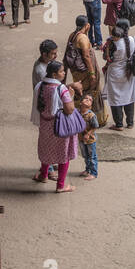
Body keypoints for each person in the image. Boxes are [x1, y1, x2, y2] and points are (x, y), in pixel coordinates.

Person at [33, 60, 77, 192]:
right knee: (63, 154)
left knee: (46, 149)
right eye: (62, 71)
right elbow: (69, 109)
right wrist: (72, 96)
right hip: (59, 126)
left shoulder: (40, 85)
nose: (64, 73)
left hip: (45, 124)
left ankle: (43, 175)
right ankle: (61, 185)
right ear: (54, 74)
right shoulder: (61, 89)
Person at [102, 19, 135, 130]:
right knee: (129, 97)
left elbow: (106, 57)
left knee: (115, 99)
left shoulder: (112, 43)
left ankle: (119, 124)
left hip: (115, 74)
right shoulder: (134, 40)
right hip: (129, 73)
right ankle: (130, 123)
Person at [65, 15, 102, 123]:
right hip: (84, 72)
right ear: (87, 26)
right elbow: (86, 56)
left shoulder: (72, 35)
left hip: (76, 71)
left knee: (78, 90)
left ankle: (77, 115)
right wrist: (92, 74)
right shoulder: (83, 38)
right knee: (89, 92)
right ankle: (91, 119)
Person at [78, 94, 99, 180]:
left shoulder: (91, 115)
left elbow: (95, 126)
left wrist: (88, 134)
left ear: (91, 106)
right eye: (85, 98)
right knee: (85, 155)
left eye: (90, 100)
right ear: (80, 103)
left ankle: (94, 173)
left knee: (92, 156)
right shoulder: (78, 113)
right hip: (81, 138)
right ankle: (87, 170)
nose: (87, 100)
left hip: (90, 140)